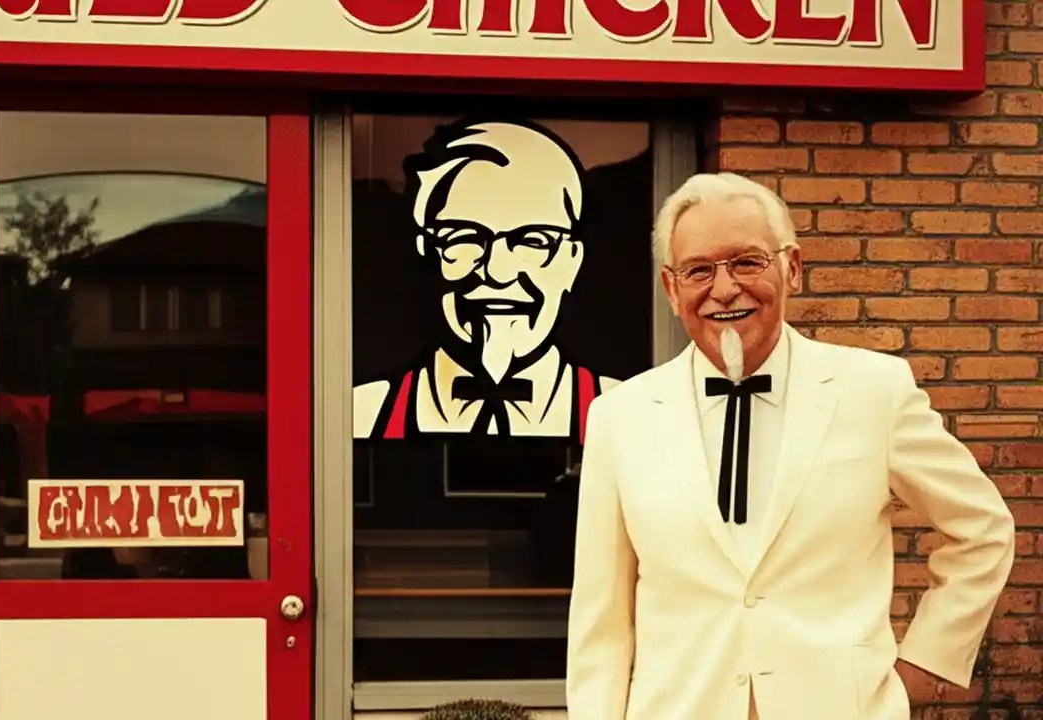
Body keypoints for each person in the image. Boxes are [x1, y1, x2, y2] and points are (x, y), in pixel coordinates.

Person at [565, 172, 1016, 720]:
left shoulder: (875, 392)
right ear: (670, 287)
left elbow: (982, 529)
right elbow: (601, 619)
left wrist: (924, 663)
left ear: (792, 267)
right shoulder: (620, 416)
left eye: (747, 262)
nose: (724, 288)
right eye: (699, 270)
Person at [352, 119, 619, 441]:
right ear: (427, 254)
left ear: (572, 261)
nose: (498, 272)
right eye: (464, 238)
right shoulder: (360, 413)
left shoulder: (626, 417)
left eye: (533, 241)